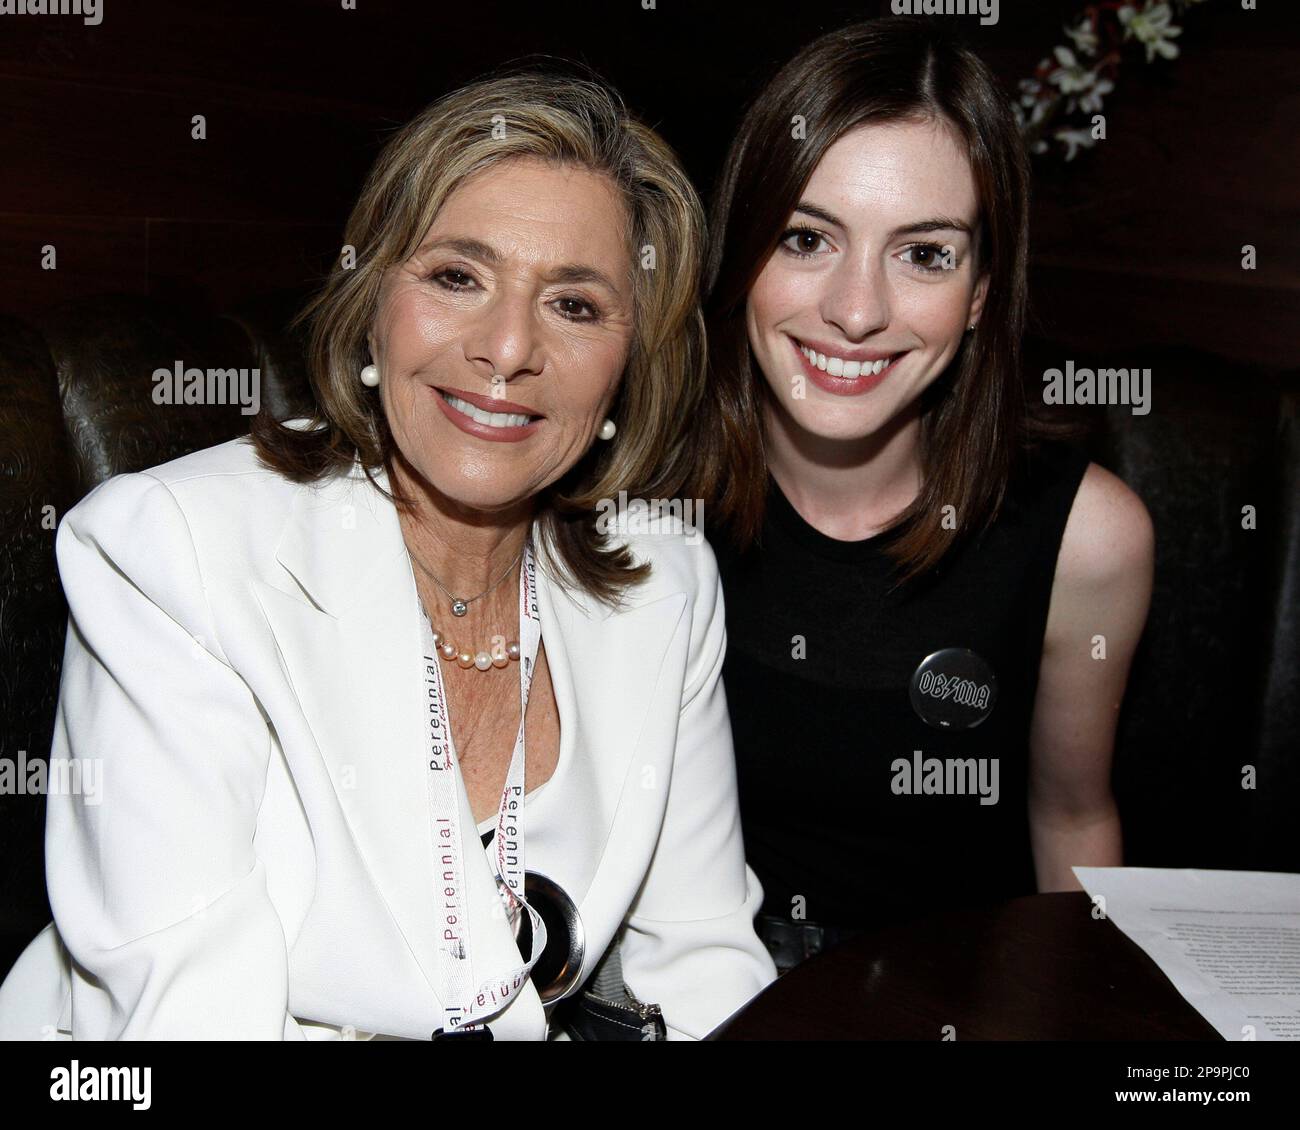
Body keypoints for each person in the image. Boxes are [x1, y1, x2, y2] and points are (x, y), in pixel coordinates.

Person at [0, 63, 776, 1039]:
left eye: (573, 305)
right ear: (373, 295)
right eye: (458, 276)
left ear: (630, 363)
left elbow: (702, 959)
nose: (505, 348)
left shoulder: (667, 576)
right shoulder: (168, 552)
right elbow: (191, 1016)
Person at [695, 19, 1154, 974]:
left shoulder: (1087, 538)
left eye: (926, 254)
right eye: (807, 237)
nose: (856, 310)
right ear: (743, 252)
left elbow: (1073, 815)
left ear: (983, 289)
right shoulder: (637, 496)